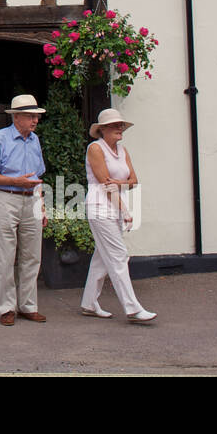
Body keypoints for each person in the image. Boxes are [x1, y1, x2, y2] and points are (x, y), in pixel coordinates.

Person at [80, 108, 157, 324]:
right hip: (99, 207)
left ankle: (88, 303)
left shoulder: (122, 151)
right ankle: (133, 309)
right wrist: (125, 211)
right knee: (118, 255)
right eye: (114, 125)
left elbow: (134, 181)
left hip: (115, 207)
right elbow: (106, 185)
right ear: (102, 129)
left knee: (101, 258)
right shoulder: (95, 148)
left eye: (120, 125)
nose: (119, 128)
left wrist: (121, 184)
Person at [0, 94, 49, 326]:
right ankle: (7, 307)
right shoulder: (0, 139)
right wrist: (16, 182)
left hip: (31, 200)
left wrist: (42, 206)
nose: (35, 120)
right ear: (16, 117)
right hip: (6, 198)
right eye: (30, 116)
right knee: (6, 256)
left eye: (36, 116)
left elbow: (37, 176)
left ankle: (29, 305)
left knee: (32, 256)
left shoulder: (34, 140)